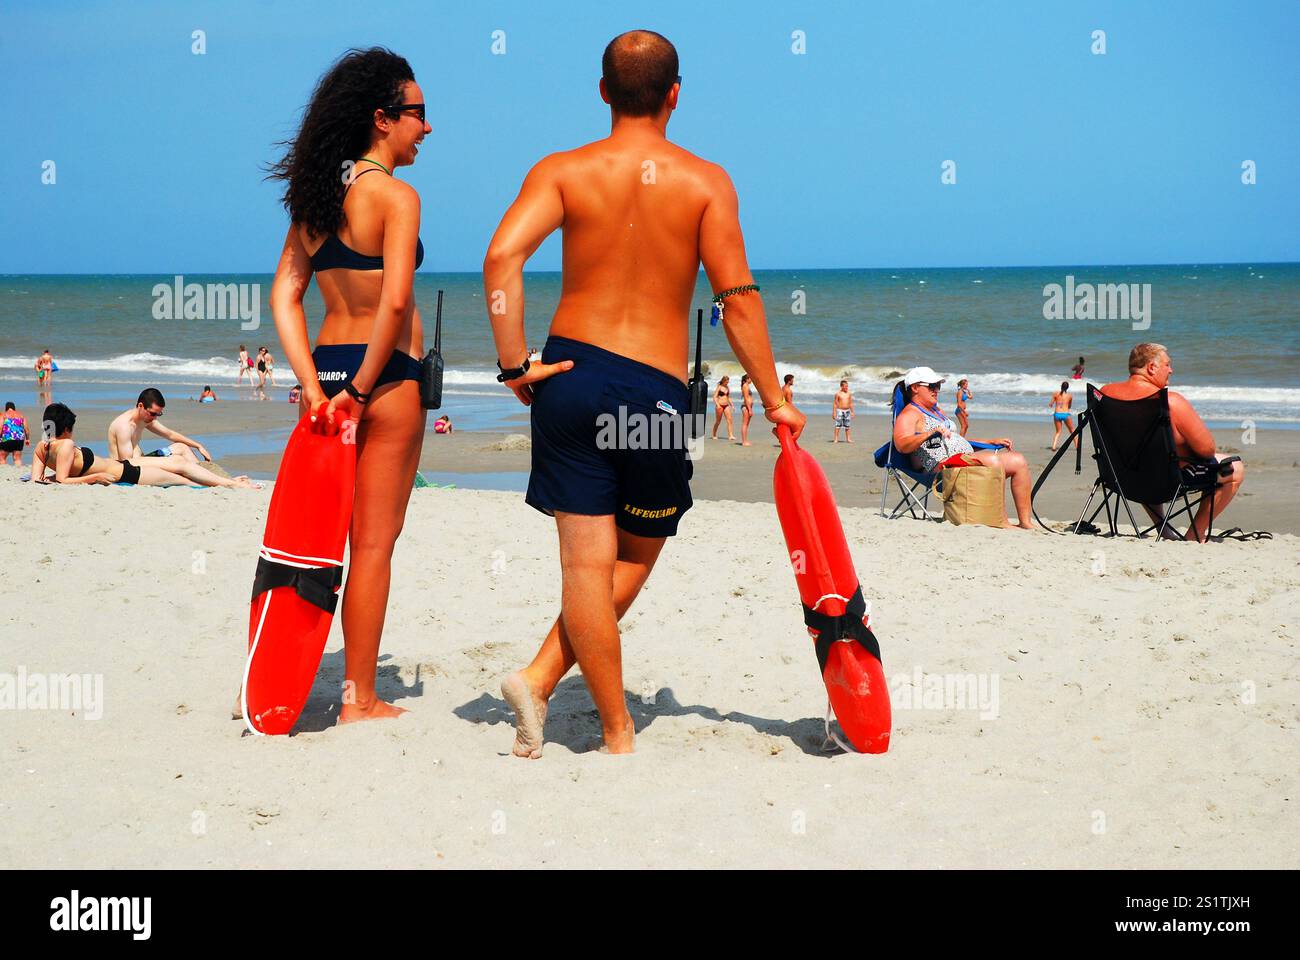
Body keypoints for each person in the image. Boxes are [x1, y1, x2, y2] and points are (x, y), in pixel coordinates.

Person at [483, 30, 805, 756]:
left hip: (568, 379)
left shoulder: (563, 170)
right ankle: (603, 722)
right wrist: (773, 397)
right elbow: (738, 300)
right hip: (653, 398)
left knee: (584, 566)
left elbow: (501, 257)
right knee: (636, 555)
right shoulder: (705, 182)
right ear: (675, 93)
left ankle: (552, 691)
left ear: (601, 91)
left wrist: (513, 366)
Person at [265, 46, 432, 723]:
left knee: (316, 539)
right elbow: (393, 306)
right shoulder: (396, 197)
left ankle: (308, 672)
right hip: (382, 380)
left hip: (327, 372)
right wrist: (361, 391)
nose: (427, 127)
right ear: (382, 119)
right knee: (371, 544)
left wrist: (312, 384)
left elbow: (285, 296)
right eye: (419, 115)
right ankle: (359, 697)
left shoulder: (314, 202)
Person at [1100, 343, 1244, 542]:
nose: (1171, 370)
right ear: (1151, 367)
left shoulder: (1105, 394)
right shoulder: (1171, 402)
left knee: (1145, 459)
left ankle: (1164, 530)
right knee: (1234, 468)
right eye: (1167, 364)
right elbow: (1207, 450)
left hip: (1122, 477)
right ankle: (1195, 534)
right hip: (1166, 481)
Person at [891, 366, 1035, 531]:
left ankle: (1026, 522)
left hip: (961, 460)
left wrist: (990, 441)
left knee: (1018, 461)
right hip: (942, 470)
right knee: (992, 460)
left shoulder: (936, 411)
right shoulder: (910, 414)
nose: (936, 390)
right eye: (931, 386)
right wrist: (929, 433)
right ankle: (1000, 520)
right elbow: (901, 444)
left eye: (938, 386)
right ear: (915, 388)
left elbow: (956, 440)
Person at [33, 403, 256, 488]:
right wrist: (93, 478)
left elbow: (37, 479)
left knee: (181, 467)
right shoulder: (66, 444)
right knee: (184, 476)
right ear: (65, 428)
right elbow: (63, 481)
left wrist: (52, 479)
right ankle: (232, 484)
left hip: (124, 467)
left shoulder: (40, 448)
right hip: (127, 474)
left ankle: (230, 482)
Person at [108, 388, 211, 462]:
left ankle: (202, 472)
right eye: (153, 413)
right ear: (140, 406)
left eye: (158, 414)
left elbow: (170, 434)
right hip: (131, 470)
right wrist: (165, 463)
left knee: (181, 447)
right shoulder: (124, 426)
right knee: (177, 460)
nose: (155, 418)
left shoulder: (144, 419)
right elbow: (127, 463)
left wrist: (198, 446)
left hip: (142, 462)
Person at [1048, 381, 1077, 452]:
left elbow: (1050, 404)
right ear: (1067, 387)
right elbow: (1069, 406)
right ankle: (1077, 446)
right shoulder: (1069, 396)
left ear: (1061, 386)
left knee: (1058, 431)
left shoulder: (1055, 394)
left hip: (1057, 413)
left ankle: (1054, 446)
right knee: (1072, 431)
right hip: (1065, 414)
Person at [0, 402, 29, 466]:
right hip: (19, 438)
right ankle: (18, 470)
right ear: (14, 408)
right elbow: (26, 429)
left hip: (7, 437)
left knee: (2, 457)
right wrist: (27, 439)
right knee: (17, 458)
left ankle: (4, 470)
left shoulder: (3, 415)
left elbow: (0, 427)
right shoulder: (21, 415)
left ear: (6, 408)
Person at [711, 374, 735, 440]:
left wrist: (732, 405)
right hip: (720, 406)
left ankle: (731, 435)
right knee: (718, 421)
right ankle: (714, 434)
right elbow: (714, 397)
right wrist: (717, 404)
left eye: (728, 382)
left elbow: (728, 397)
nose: (727, 383)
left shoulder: (727, 387)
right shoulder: (719, 387)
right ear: (723, 381)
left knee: (730, 420)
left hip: (726, 405)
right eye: (726, 382)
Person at [739, 373, 755, 446]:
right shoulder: (745, 386)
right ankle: (744, 441)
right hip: (746, 407)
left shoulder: (747, 386)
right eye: (750, 378)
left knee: (746, 425)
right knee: (745, 424)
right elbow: (746, 398)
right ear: (747, 379)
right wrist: (749, 409)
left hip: (748, 407)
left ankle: (745, 440)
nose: (751, 380)